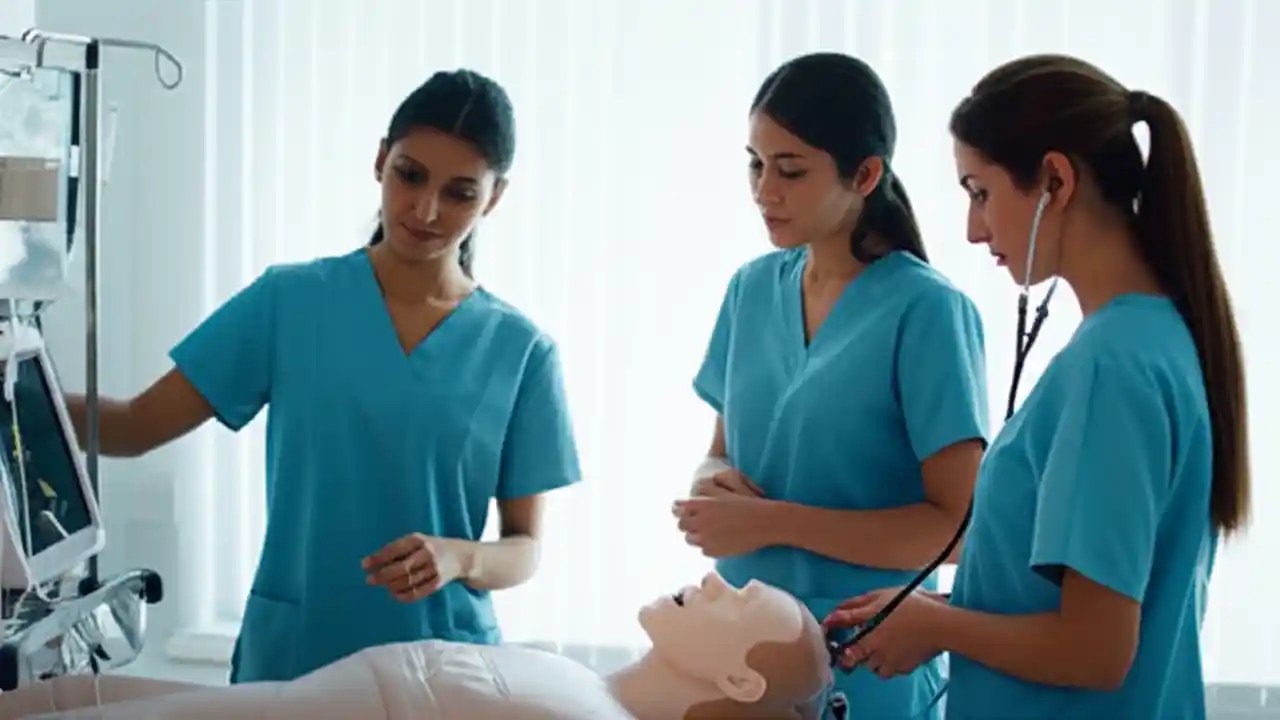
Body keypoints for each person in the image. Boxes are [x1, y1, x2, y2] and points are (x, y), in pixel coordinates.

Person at [62, 69, 582, 683]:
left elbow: (524, 549)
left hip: (442, 669)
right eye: (410, 174)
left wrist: (457, 556)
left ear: (493, 198)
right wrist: (15, 397)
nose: (426, 209)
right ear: (381, 160)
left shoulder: (521, 352)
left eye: (460, 192)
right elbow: (131, 427)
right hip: (297, 657)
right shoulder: (290, 302)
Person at [824, 54, 1250, 720]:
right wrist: (935, 610)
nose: (972, 228)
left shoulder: (1112, 366)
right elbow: (1068, 609)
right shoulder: (1153, 338)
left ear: (1055, 179)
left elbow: (1095, 650)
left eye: (980, 191)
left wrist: (937, 629)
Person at [672, 51, 989, 718]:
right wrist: (711, 483)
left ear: (866, 174)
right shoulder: (750, 290)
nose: (764, 190)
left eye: (790, 170)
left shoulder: (927, 312)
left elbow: (958, 531)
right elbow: (721, 447)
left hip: (866, 659)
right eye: (755, 164)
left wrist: (773, 524)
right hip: (741, 654)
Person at [2, 571, 835, 720]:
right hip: (321, 697)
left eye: (740, 601)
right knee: (99, 701)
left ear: (737, 678)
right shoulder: (598, 688)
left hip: (327, 711)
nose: (715, 581)